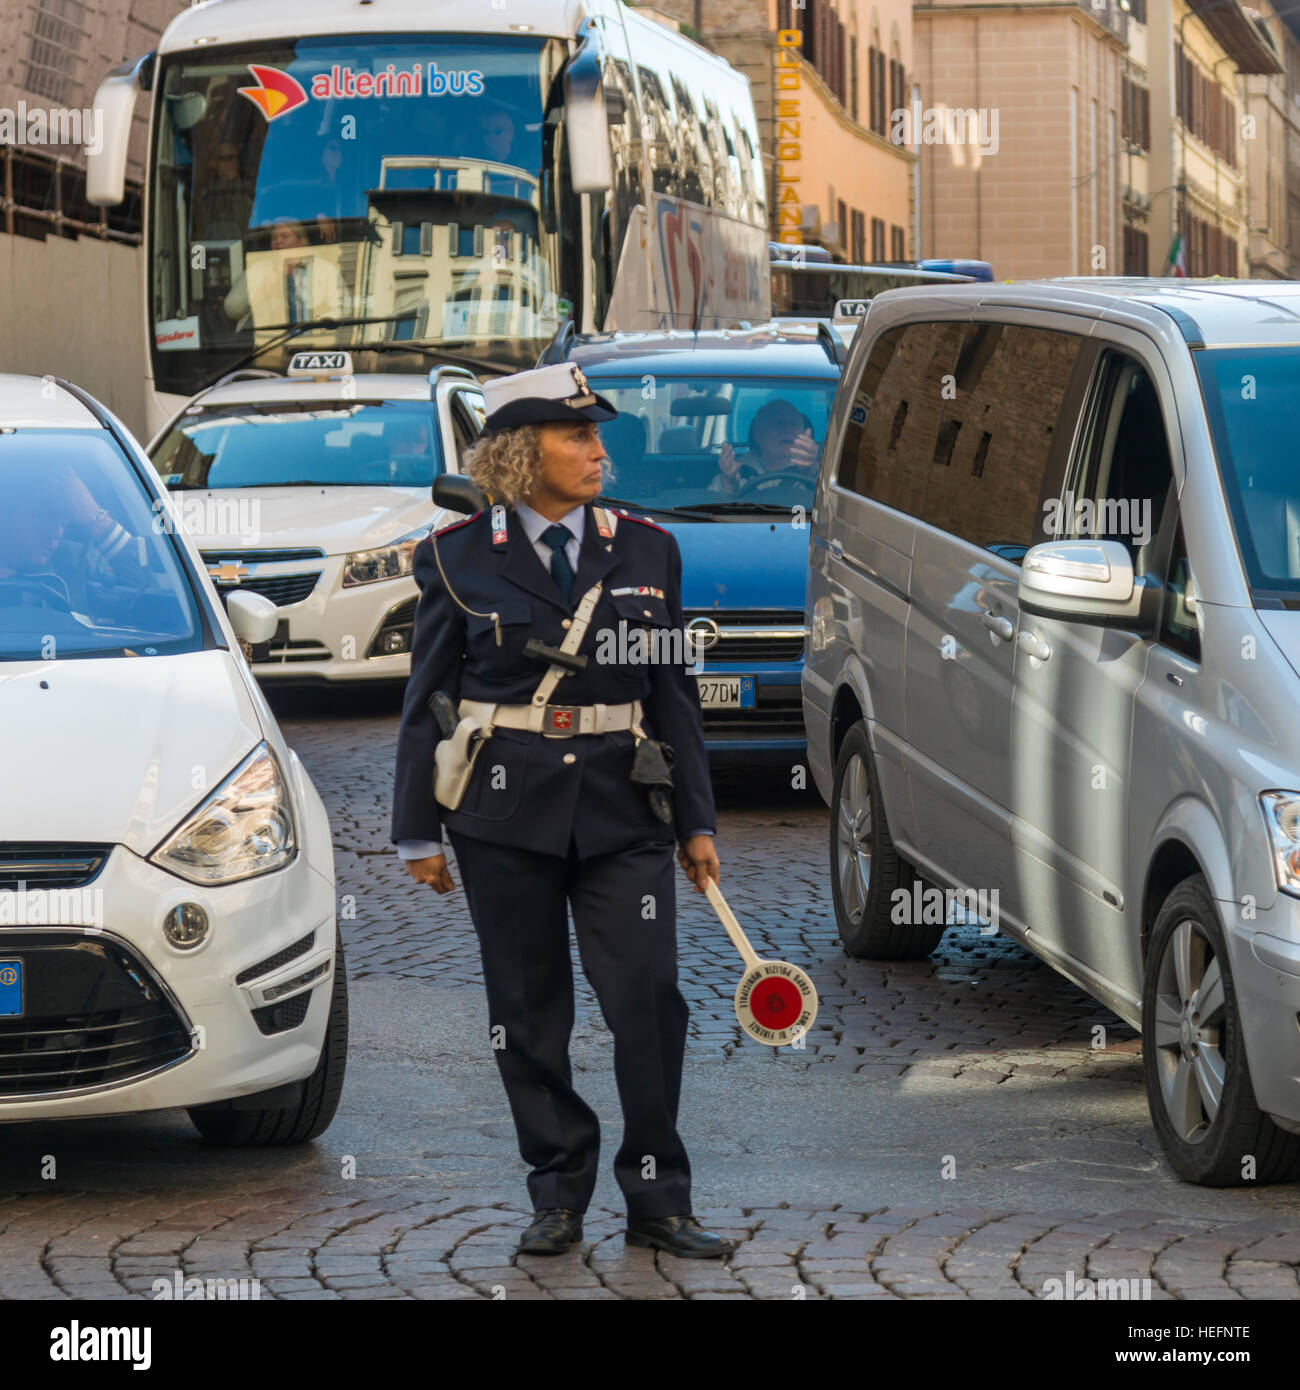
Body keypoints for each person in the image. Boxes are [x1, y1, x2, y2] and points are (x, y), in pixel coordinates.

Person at [391, 362, 736, 1260]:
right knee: (528, 1009)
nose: (597, 451)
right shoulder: (457, 556)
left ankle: (659, 1199)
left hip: (626, 812)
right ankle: (556, 1192)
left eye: (596, 435)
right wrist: (416, 829)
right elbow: (426, 695)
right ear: (518, 451)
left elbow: (673, 693)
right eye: (575, 435)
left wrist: (696, 821)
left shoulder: (649, 548)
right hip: (504, 819)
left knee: (648, 1000)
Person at [222, 218, 347, 329]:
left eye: (284, 236)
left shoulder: (324, 269)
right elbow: (232, 310)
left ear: (301, 241)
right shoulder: (257, 270)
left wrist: (318, 324)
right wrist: (262, 288)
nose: (278, 241)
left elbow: (343, 308)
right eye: (274, 238)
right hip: (263, 344)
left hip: (315, 343)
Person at [711, 397, 819, 493]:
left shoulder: (824, 471)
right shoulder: (734, 469)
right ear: (757, 433)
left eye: (794, 423)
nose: (787, 429)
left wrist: (812, 473)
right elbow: (711, 509)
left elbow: (831, 507)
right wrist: (730, 484)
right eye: (779, 423)